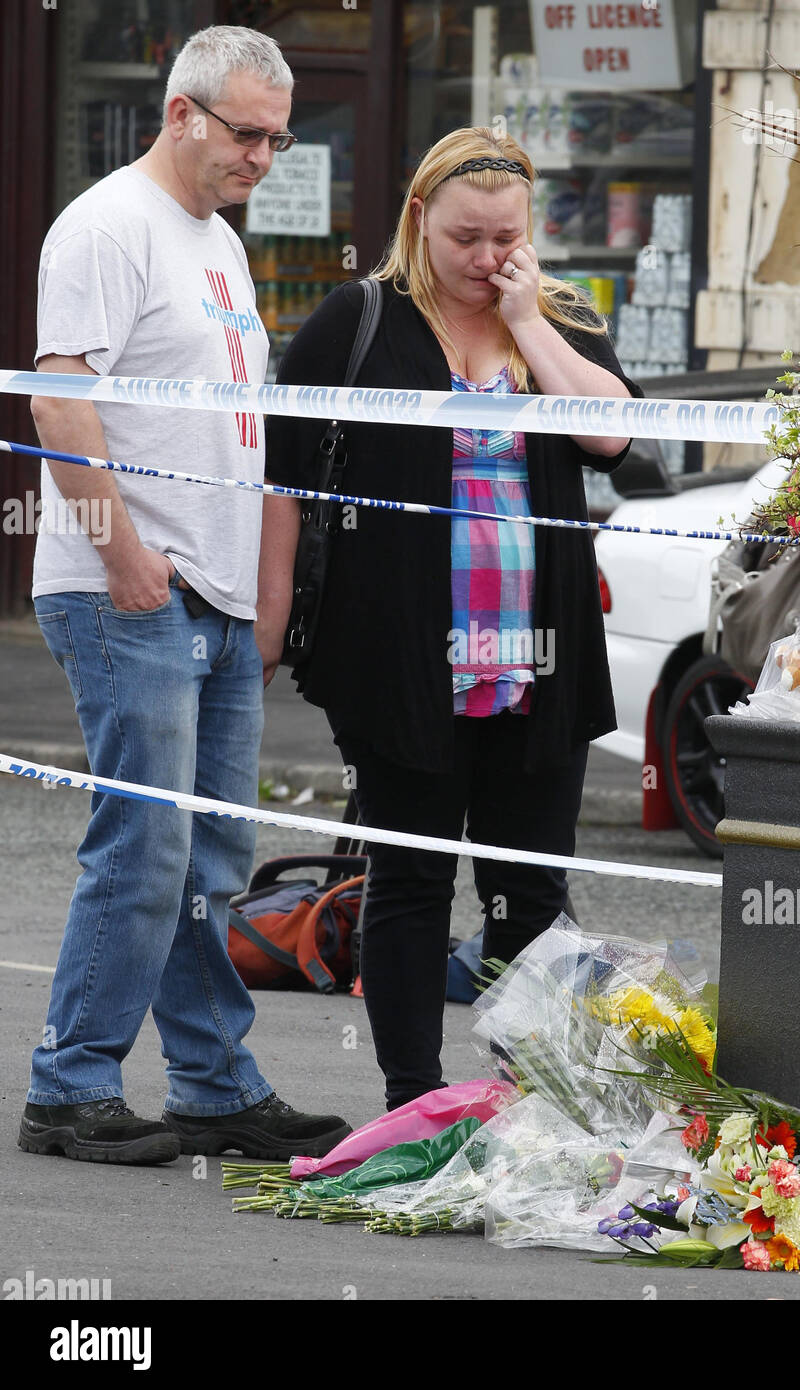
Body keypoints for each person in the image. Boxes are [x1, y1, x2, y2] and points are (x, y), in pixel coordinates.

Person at [259, 127, 641, 1110]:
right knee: (413, 887)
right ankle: (414, 1103)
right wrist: (265, 632)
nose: (484, 257)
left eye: (504, 237)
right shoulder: (358, 321)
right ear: (419, 220)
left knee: (529, 894)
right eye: (465, 237)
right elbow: (283, 482)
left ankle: (525, 1103)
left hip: (537, 662)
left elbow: (610, 433)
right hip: (398, 660)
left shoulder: (556, 321)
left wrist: (531, 319)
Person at [23, 26, 351, 1165]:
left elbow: (242, 434)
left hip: (202, 593)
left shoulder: (217, 243)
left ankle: (212, 1083)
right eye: (245, 133)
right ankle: (70, 1085)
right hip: (130, 592)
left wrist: (257, 595)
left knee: (212, 853)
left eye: (278, 137)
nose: (263, 156)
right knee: (146, 847)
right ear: (180, 114)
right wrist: (125, 562)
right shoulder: (110, 225)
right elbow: (60, 406)